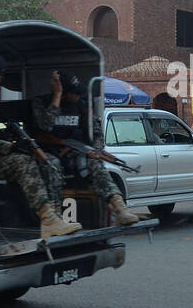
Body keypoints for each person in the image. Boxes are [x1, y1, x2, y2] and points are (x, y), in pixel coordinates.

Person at [0, 57, 81, 238]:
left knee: (46, 161)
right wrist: (11, 147)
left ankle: (54, 216)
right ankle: (48, 219)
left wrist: (11, 139)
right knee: (23, 162)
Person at [33, 70, 139, 225]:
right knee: (52, 165)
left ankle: (119, 207)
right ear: (63, 91)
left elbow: (96, 133)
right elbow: (45, 126)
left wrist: (93, 150)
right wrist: (57, 96)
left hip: (74, 153)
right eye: (74, 93)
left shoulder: (80, 105)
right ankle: (54, 218)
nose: (77, 96)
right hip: (46, 153)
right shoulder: (40, 103)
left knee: (95, 163)